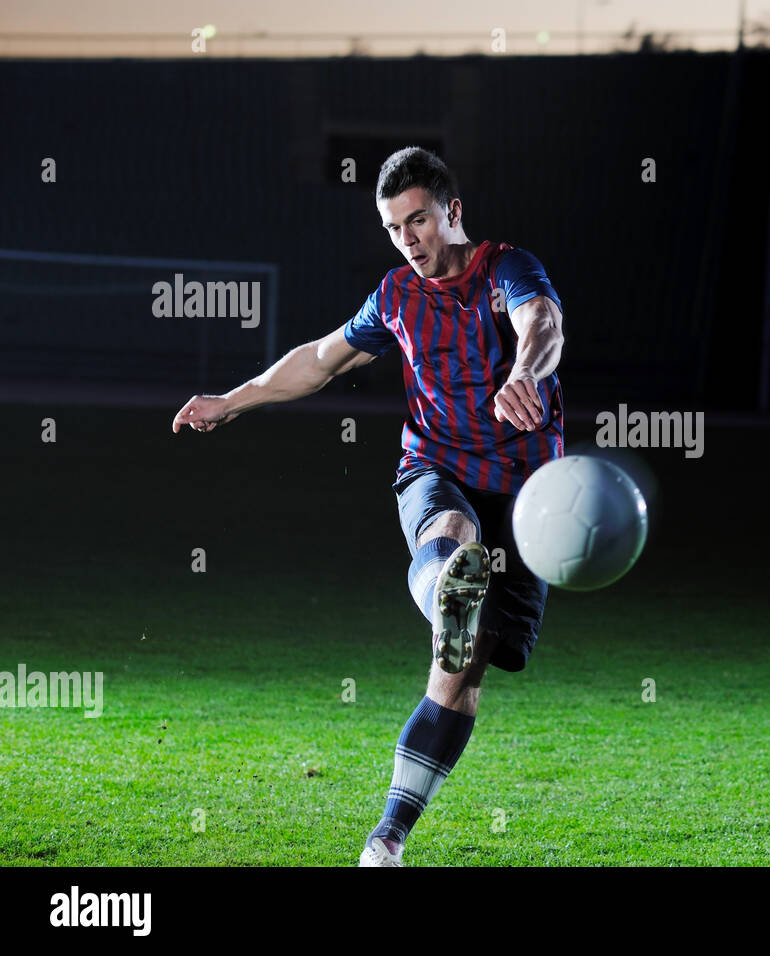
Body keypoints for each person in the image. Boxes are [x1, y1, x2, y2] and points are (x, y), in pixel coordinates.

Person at [170, 146, 565, 867]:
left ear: (453, 212)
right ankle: (447, 589)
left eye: (418, 220)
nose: (408, 239)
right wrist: (234, 400)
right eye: (392, 228)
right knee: (448, 531)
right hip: (435, 465)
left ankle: (389, 839)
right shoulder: (395, 297)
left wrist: (525, 373)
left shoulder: (507, 269)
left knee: (462, 671)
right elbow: (321, 359)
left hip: (525, 491)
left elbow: (541, 324)